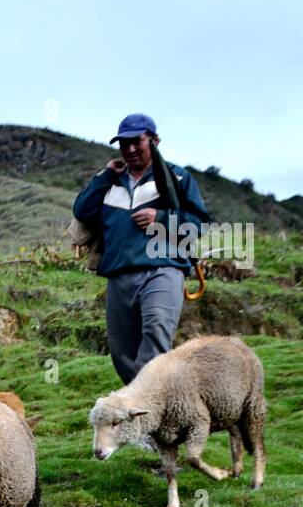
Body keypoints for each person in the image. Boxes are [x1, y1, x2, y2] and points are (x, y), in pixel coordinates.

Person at [73, 113, 210, 383]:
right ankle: (146, 403)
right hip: (119, 275)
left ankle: (149, 407)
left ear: (154, 140)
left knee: (157, 331)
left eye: (138, 142)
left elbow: (200, 224)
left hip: (163, 269)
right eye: (124, 144)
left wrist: (158, 218)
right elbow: (82, 211)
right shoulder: (111, 181)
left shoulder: (178, 178)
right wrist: (105, 176)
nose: (131, 149)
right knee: (121, 352)